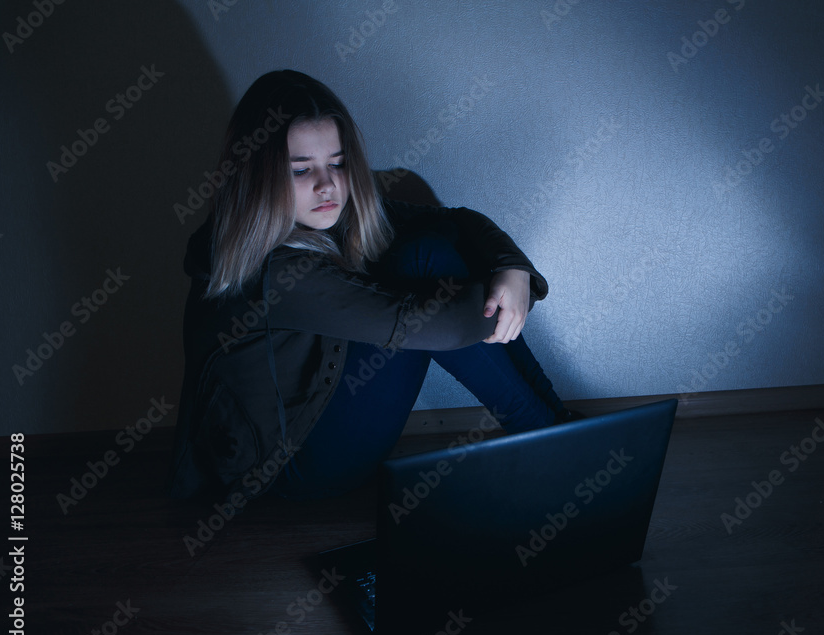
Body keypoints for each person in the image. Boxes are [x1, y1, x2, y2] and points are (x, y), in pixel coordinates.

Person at [166, 69, 575, 506]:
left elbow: (456, 220)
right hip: (284, 471)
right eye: (301, 169)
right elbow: (449, 329)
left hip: (317, 417)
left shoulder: (329, 213)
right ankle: (555, 444)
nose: (328, 185)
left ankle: (561, 430)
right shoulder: (271, 273)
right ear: (258, 175)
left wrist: (511, 269)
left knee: (432, 249)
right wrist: (507, 288)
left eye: (338, 163)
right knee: (431, 264)